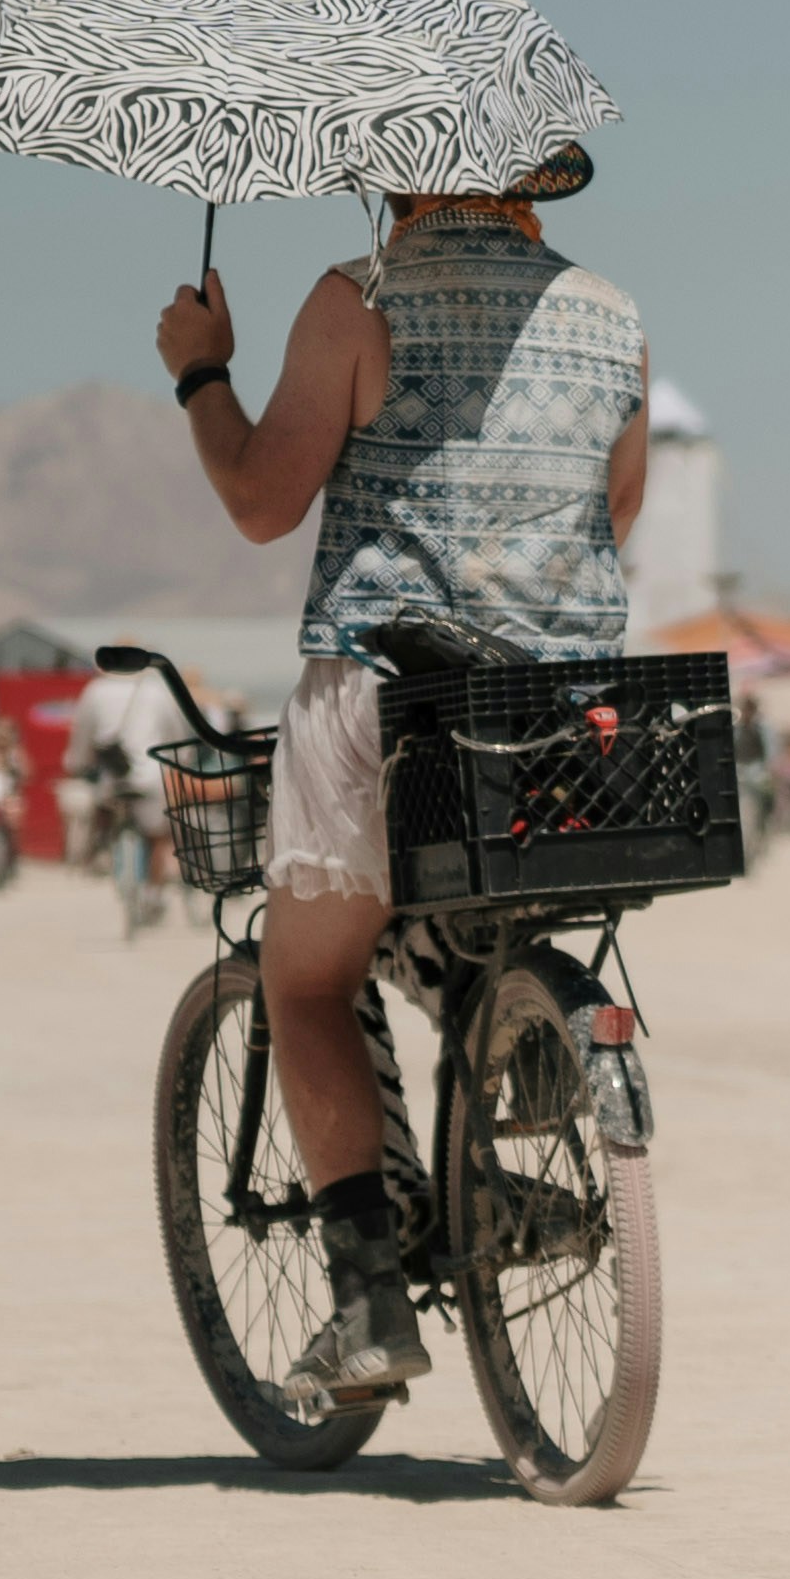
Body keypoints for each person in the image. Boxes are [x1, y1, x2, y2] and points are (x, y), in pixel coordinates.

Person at [160, 146, 651, 1409]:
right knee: (465, 923)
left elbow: (265, 501)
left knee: (308, 975)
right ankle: (522, 1086)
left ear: (399, 176)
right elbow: (617, 512)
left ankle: (372, 1308)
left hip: (389, 703)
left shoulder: (357, 296)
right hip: (553, 727)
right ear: (533, 185)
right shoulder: (615, 319)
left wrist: (202, 373)